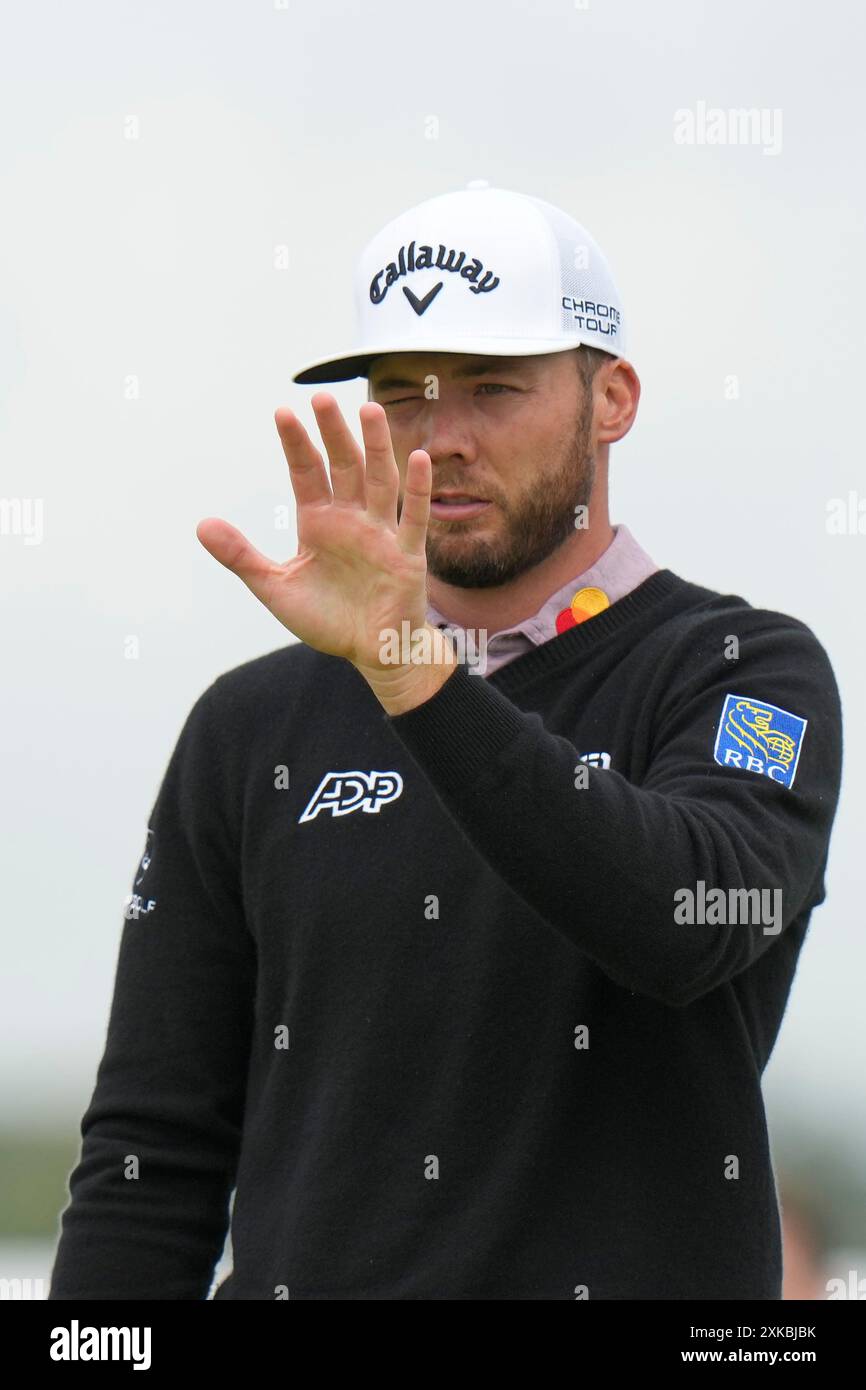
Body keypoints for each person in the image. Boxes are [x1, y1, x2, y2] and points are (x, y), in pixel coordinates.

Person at [49, 184, 843, 1300]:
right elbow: (151, 1154)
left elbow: (679, 920)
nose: (442, 440)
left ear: (609, 397)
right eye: (403, 397)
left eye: (493, 389)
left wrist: (411, 670)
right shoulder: (251, 726)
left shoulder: (741, 672)